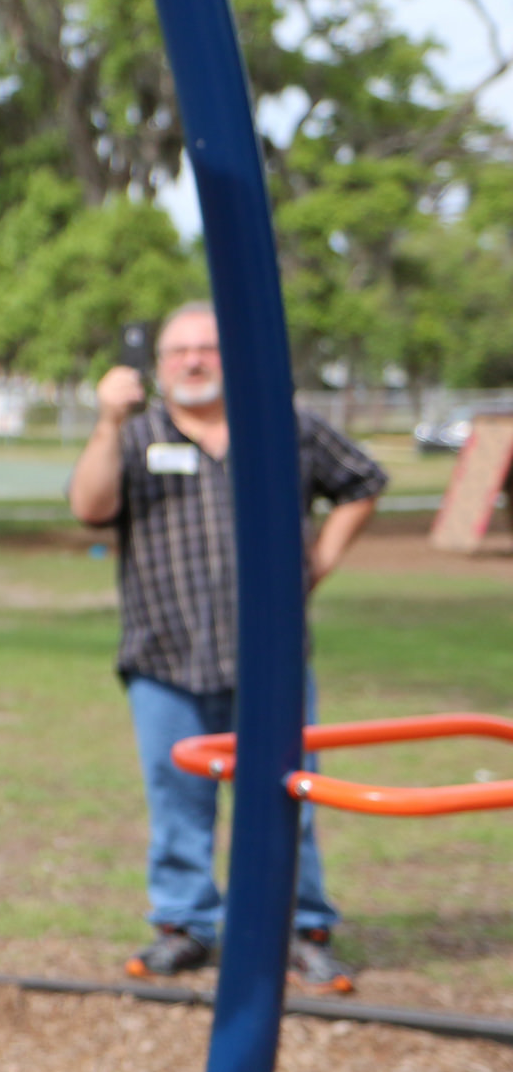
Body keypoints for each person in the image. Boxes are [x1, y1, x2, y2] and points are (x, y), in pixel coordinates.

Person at [68, 302, 387, 995]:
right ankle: (185, 926)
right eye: (177, 349)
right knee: (178, 799)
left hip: (269, 662)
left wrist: (321, 559)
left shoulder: (283, 426)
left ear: (233, 354)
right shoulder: (137, 433)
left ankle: (299, 929)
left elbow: (363, 480)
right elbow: (90, 508)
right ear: (156, 365)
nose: (192, 360)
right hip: (165, 656)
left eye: (207, 346)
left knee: (285, 799)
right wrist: (109, 420)